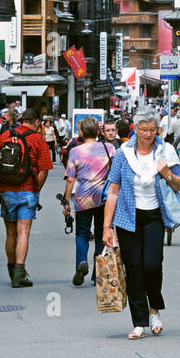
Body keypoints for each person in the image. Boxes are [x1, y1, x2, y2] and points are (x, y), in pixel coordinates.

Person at [102, 107, 180, 339]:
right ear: (135, 129)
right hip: (128, 217)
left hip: (155, 217)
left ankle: (154, 310)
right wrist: (106, 227)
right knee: (134, 268)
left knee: (152, 264)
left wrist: (167, 173)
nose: (148, 134)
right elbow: (114, 191)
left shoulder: (166, 151)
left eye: (152, 130)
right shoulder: (123, 154)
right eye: (143, 129)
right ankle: (139, 322)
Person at [0, 106, 53, 288]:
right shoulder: (38, 139)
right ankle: (19, 272)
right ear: (37, 122)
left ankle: (11, 269)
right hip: (27, 189)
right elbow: (44, 170)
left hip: (6, 189)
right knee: (24, 232)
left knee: (10, 233)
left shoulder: (5, 136)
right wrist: (36, 189)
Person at [63, 118, 113, 286]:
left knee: (82, 234)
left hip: (83, 197)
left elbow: (70, 179)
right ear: (99, 132)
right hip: (103, 198)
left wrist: (66, 200)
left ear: (81, 133)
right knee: (101, 235)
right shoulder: (109, 148)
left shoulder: (76, 151)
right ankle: (97, 272)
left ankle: (81, 262)